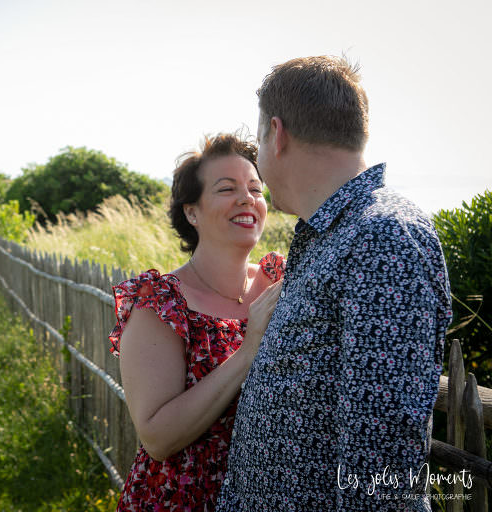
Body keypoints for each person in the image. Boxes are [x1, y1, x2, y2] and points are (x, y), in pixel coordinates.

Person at [216, 56, 453, 511]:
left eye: (259, 141)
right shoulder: (333, 234)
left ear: (277, 134)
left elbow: (381, 457)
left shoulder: (382, 236)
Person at [108, 132, 286, 511]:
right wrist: (248, 350)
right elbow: (157, 438)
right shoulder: (161, 303)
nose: (247, 199)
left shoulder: (282, 281)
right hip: (186, 497)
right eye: (227, 189)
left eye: (255, 188)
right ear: (192, 212)